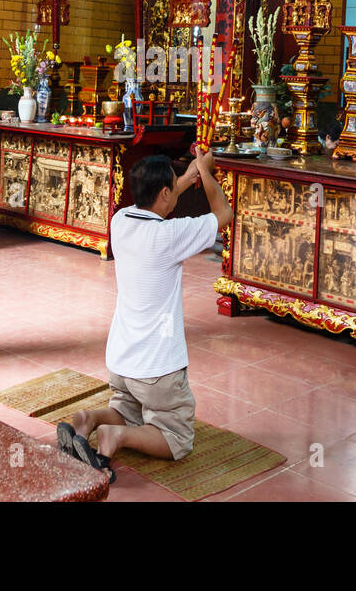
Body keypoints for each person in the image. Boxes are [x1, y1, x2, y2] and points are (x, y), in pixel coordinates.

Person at [57, 146, 232, 482]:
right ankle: (115, 437)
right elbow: (223, 213)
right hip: (157, 369)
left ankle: (89, 419)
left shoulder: (120, 220)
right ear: (164, 193)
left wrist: (190, 173)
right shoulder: (169, 234)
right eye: (172, 188)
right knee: (178, 437)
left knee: (128, 408)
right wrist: (206, 172)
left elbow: (163, 196)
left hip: (121, 360)